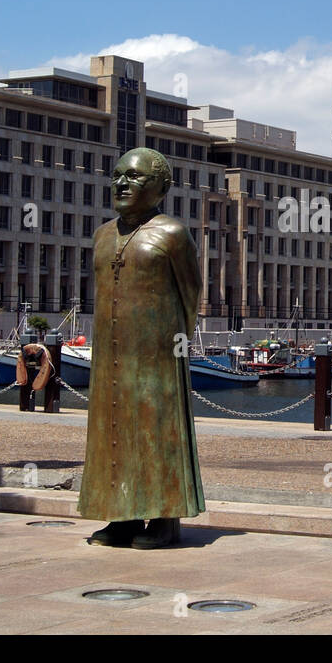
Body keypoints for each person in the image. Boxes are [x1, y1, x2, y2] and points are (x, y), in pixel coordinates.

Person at [78, 147, 205, 549]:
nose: (121, 183)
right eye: (117, 175)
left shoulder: (172, 234)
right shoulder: (101, 236)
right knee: (111, 430)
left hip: (157, 354)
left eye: (134, 177)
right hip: (110, 356)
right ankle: (122, 515)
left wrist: (174, 351)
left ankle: (165, 518)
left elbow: (190, 296)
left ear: (161, 187)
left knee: (156, 430)